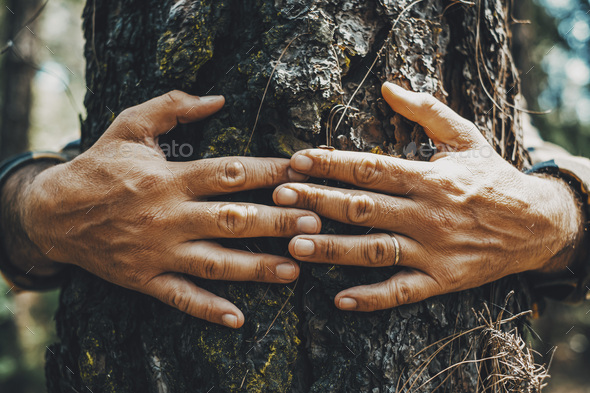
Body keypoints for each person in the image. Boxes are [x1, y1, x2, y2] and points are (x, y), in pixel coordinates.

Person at [0, 83, 588, 329]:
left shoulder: (503, 124)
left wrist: (551, 214)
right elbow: (36, 204)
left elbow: (567, 177)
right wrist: (37, 207)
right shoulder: (117, 135)